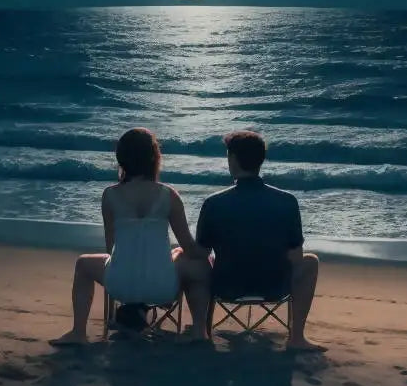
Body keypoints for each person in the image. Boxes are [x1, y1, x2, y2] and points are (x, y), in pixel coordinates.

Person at [50, 127, 210, 345]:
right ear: (154, 157)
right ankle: (200, 332)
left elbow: (111, 247)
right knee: (195, 264)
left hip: (119, 284)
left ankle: (78, 332)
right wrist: (203, 251)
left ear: (121, 158)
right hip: (162, 287)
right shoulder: (168, 195)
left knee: (83, 264)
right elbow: (190, 248)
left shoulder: (110, 195)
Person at [194, 130, 325, 352]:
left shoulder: (214, 203)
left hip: (226, 286)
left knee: (196, 261)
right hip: (274, 286)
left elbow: (201, 252)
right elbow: (296, 256)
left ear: (233, 159)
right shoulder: (287, 202)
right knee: (310, 262)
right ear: (260, 161)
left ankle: (201, 330)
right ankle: (297, 337)